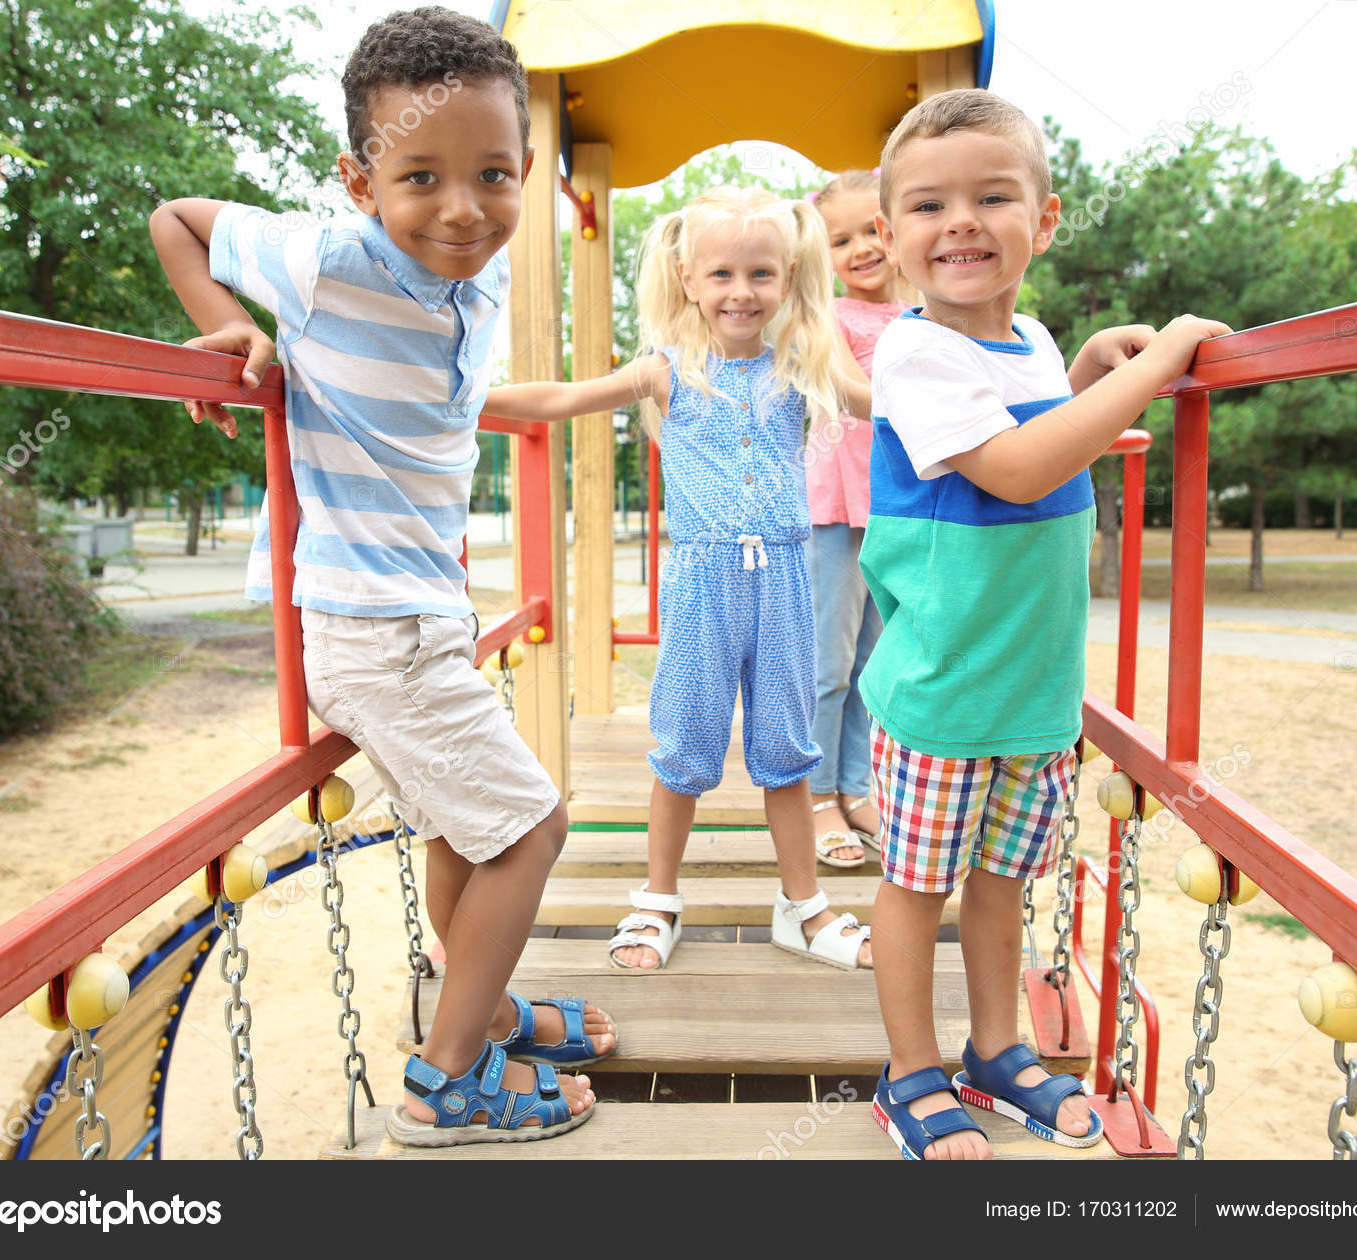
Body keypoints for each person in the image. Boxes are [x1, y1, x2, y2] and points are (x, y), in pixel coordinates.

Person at [149, 7, 615, 1147]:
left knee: (467, 832)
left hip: (421, 617)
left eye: (492, 175)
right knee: (531, 829)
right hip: (373, 625)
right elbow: (176, 218)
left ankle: (484, 1010)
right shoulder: (326, 259)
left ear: (523, 171)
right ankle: (445, 1080)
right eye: (419, 178)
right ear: (359, 183)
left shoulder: (481, 281)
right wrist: (229, 326)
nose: (462, 209)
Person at [860, 88, 1230, 1159]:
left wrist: (1077, 373)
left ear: (1046, 218)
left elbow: (1027, 429)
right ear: (889, 234)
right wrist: (1155, 365)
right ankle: (909, 1071)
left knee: (1000, 880)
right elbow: (1017, 472)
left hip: (1031, 685)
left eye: (992, 197)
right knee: (917, 887)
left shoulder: (1026, 336)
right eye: (927, 205)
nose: (960, 223)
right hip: (944, 684)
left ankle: (994, 1049)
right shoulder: (913, 351)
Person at [486, 184, 876, 972]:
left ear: (788, 276)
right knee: (685, 748)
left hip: (784, 580)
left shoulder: (799, 364)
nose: (741, 292)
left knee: (788, 749)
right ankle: (658, 898)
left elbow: (883, 405)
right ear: (687, 277)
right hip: (702, 585)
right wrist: (458, 400)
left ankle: (803, 908)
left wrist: (1012, 405)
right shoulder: (668, 371)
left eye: (761, 274)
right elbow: (560, 399)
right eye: (722, 274)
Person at [804, 170, 905, 869]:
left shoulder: (922, 315)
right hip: (838, 502)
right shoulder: (828, 317)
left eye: (873, 230)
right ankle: (815, 795)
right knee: (830, 662)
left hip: (894, 503)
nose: (862, 248)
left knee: (875, 660)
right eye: (841, 240)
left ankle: (855, 784)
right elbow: (847, 387)